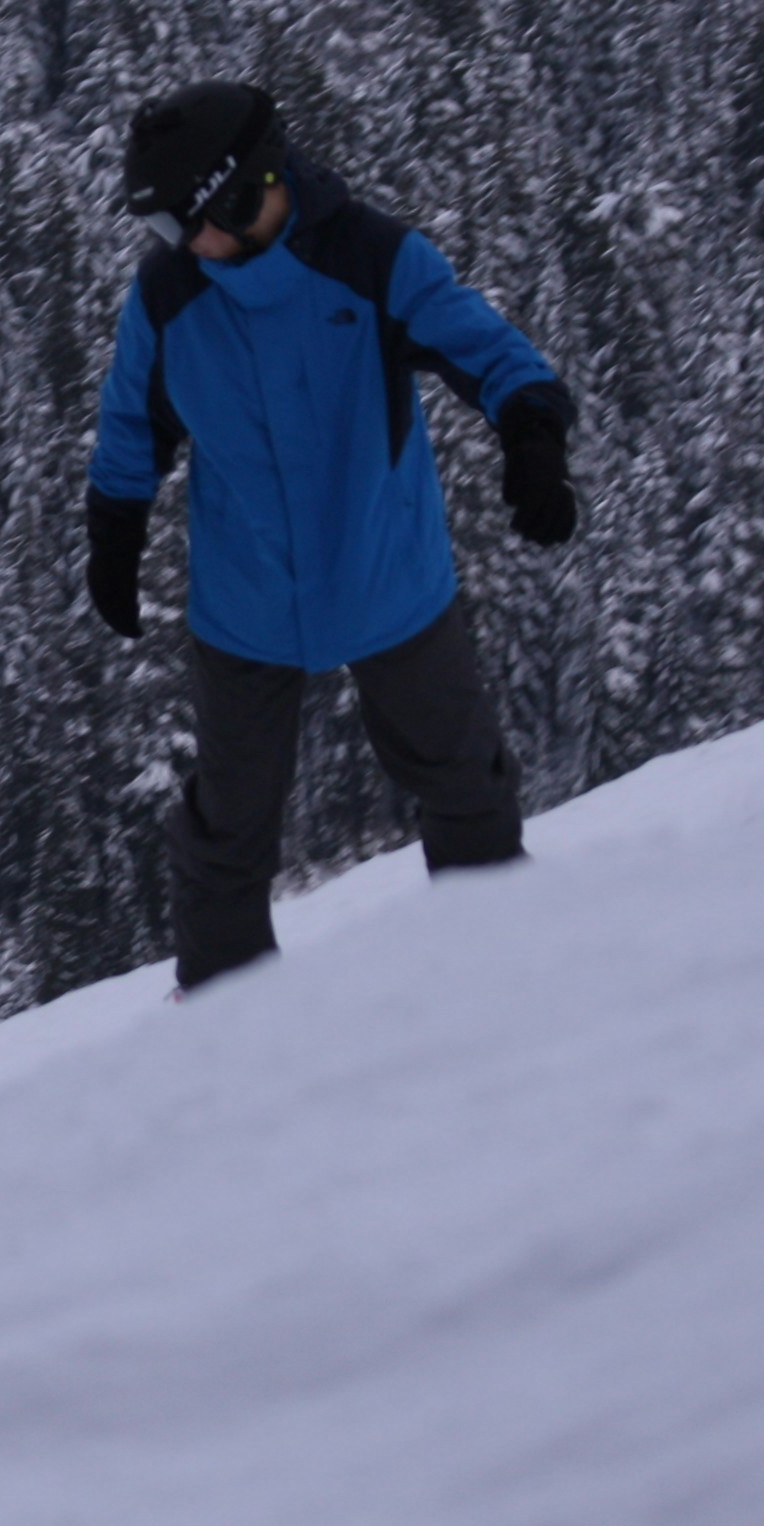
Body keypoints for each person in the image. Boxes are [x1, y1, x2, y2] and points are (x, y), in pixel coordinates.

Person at [85, 80, 578, 987]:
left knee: (466, 789)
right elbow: (131, 424)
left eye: (177, 224)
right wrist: (113, 526)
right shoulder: (167, 297)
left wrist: (533, 438)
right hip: (248, 604)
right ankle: (230, 1033)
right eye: (159, 233)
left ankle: (503, 983)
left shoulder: (372, 259)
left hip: (388, 579)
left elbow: (495, 354)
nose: (172, 248)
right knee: (225, 839)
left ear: (240, 190)